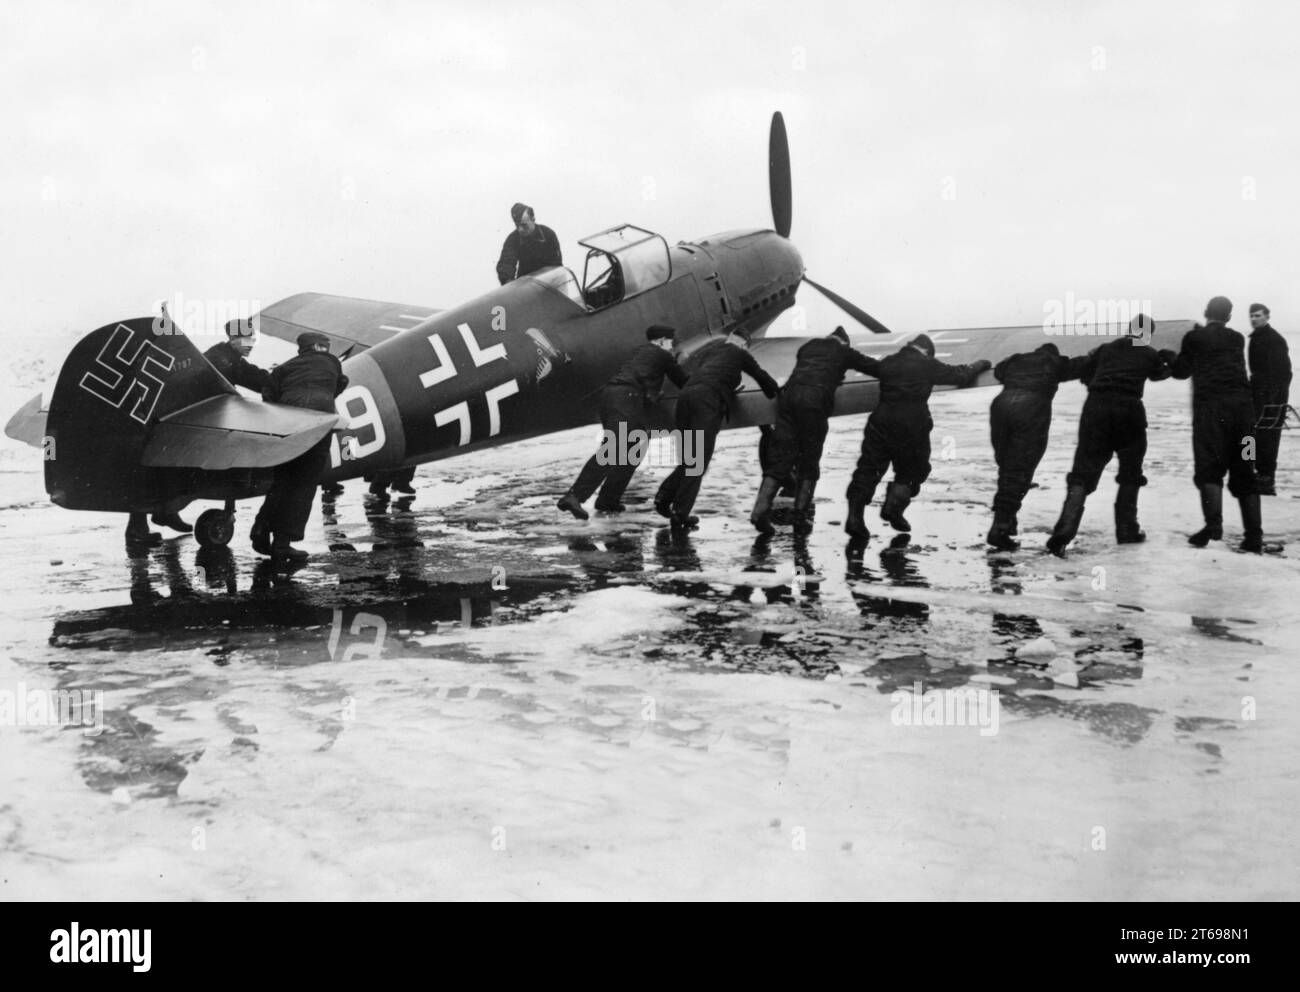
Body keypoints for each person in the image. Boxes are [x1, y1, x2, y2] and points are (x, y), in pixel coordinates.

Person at [1046, 314, 1171, 555]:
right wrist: (1167, 360)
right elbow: (1160, 375)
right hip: (1129, 409)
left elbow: (1084, 370)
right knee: (1130, 472)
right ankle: (1127, 529)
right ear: (1147, 334)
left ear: (1129, 329)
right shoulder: (1148, 352)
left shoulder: (1106, 348)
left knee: (1083, 472)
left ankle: (1064, 531)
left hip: (1096, 408)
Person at [844, 335, 991, 541]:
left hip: (881, 421)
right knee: (914, 471)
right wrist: (980, 364)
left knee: (868, 469)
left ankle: (854, 518)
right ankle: (893, 508)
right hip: (912, 426)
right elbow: (961, 374)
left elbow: (868, 365)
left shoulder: (889, 362)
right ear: (927, 351)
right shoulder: (927, 364)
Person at [1165, 297, 1270, 552]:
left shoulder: (1194, 338)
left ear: (1205, 312)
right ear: (1229, 317)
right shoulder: (1237, 338)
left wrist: (1169, 355)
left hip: (1211, 413)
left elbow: (1181, 371)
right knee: (1247, 469)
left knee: (1209, 467)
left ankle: (1213, 524)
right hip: (1245, 414)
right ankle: (1254, 536)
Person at [751, 326, 877, 535]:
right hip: (814, 402)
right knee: (809, 462)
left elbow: (811, 367)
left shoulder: (808, 346)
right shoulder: (843, 351)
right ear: (844, 342)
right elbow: (873, 367)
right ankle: (800, 517)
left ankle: (759, 511)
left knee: (779, 461)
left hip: (788, 399)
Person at [558, 324, 688, 518]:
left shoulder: (640, 353)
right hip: (624, 399)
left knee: (637, 444)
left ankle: (609, 499)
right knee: (614, 448)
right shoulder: (662, 355)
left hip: (616, 397)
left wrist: (652, 393)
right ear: (662, 341)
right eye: (670, 342)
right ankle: (574, 496)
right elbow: (683, 382)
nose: (672, 346)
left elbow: (643, 379)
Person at [655, 330, 779, 531]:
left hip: (685, 399)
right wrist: (775, 391)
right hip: (707, 402)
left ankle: (664, 497)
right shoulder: (740, 353)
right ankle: (679, 514)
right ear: (744, 344)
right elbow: (760, 375)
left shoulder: (710, 352)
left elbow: (704, 374)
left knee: (690, 458)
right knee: (699, 462)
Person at [251, 332, 348, 561]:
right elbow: (341, 382)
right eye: (325, 346)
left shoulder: (285, 367)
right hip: (317, 424)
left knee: (283, 480)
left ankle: (260, 527)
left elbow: (269, 394)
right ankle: (282, 544)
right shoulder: (332, 361)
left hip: (288, 424)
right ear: (318, 346)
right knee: (303, 484)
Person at [985, 342, 1085, 549]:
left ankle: (1007, 520)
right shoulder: (1054, 362)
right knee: (1019, 469)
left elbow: (1000, 372)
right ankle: (1000, 528)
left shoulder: (1017, 358)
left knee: (1006, 466)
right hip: (1031, 408)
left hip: (1001, 405)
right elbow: (1079, 366)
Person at [1247, 303, 1291, 495]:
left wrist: (1272, 401)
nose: (1254, 319)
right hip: (1258, 395)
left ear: (1267, 317)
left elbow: (1283, 374)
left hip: (1271, 398)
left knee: (1268, 439)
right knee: (1250, 436)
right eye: (1251, 316)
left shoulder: (1274, 340)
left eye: (1257, 315)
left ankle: (1266, 479)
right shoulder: (1257, 338)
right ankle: (1253, 474)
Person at [495, 203, 562, 284]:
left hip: (550, 284)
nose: (520, 230)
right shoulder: (512, 239)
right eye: (517, 225)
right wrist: (508, 281)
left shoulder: (548, 234)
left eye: (524, 225)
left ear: (533, 219)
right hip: (526, 287)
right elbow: (506, 263)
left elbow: (557, 266)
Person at [205, 316, 271, 392]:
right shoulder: (225, 361)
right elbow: (257, 381)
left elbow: (253, 373)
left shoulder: (226, 354)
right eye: (246, 340)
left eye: (252, 340)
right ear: (232, 339)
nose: (250, 345)